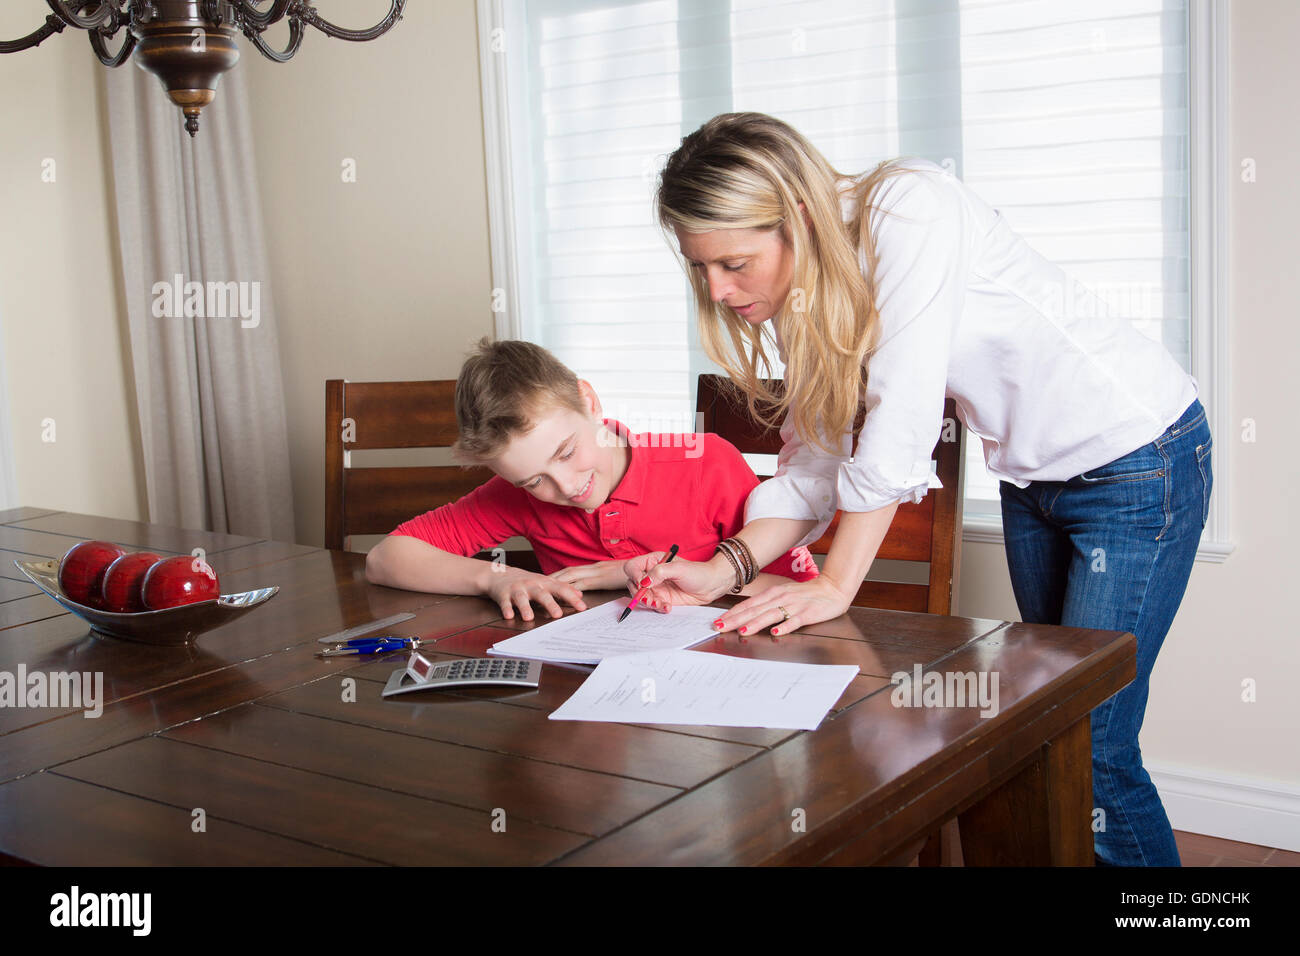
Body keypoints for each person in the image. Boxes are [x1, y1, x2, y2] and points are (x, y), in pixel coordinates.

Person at [630, 112, 1211, 867]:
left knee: (1093, 740)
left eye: (734, 262)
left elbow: (901, 415)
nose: (717, 288)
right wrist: (722, 568)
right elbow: (812, 463)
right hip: (1035, 479)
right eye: (700, 267)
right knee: (1054, 729)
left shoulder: (909, 206)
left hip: (1139, 456)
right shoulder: (803, 298)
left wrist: (837, 582)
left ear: (797, 218)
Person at [364, 337, 817, 621]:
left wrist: (613, 576)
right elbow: (385, 560)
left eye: (566, 451)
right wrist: (495, 578)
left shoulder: (706, 463)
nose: (564, 486)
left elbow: (804, 593)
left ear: (588, 401)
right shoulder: (516, 494)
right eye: (533, 480)